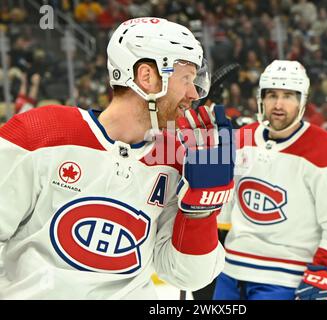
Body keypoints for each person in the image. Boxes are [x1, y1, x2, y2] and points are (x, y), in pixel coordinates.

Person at [0, 17, 234, 299]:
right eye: (186, 79)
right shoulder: (39, 133)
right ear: (147, 77)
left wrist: (201, 209)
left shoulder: (177, 159)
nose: (194, 93)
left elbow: (186, 276)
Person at [213, 60, 327, 300]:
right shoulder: (238, 140)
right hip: (230, 271)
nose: (279, 104)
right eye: (272, 95)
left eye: (288, 96)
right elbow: (221, 207)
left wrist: (324, 271)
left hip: (288, 278)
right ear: (261, 98)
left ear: (302, 101)